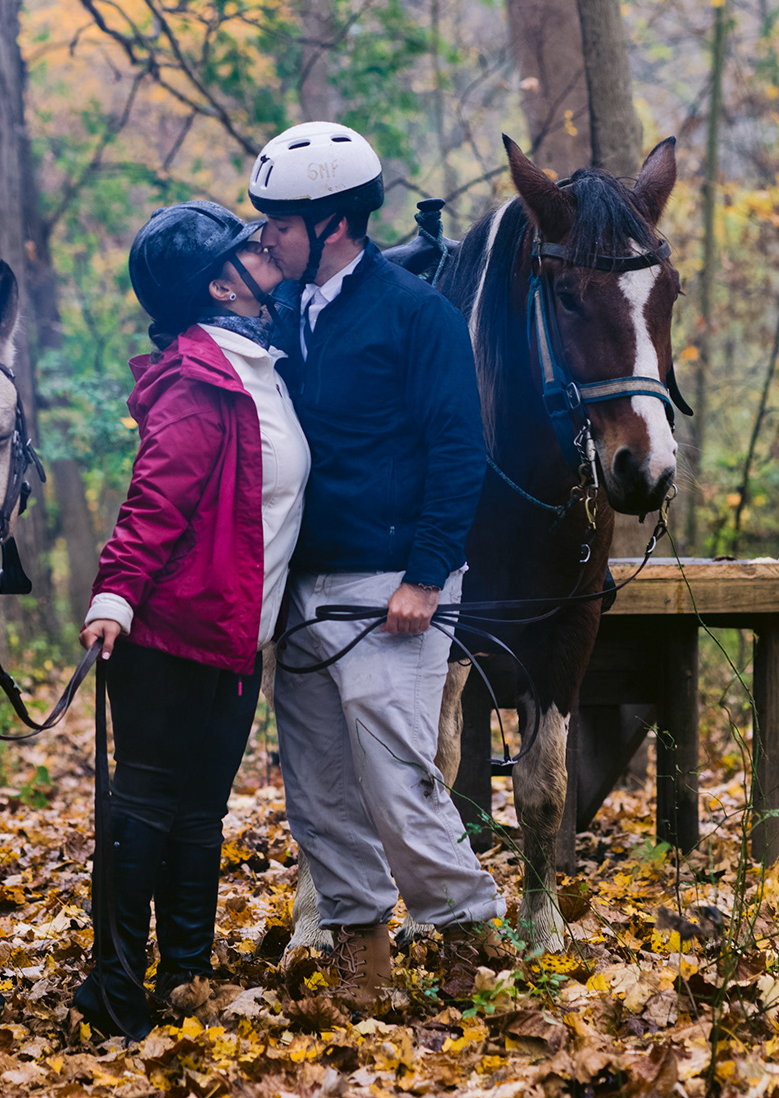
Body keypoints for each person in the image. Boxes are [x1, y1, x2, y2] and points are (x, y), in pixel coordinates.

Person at [250, 121, 505, 1011]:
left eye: (280, 222)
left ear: (335, 222)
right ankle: (364, 948)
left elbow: (457, 449)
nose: (266, 236)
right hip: (301, 590)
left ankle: (466, 930)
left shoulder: (415, 313)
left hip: (393, 584)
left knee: (399, 774)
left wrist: (427, 577)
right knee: (317, 780)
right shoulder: (280, 314)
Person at [70, 200, 308, 1040]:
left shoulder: (261, 364)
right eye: (247, 246)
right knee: (146, 804)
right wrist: (114, 595)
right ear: (219, 282)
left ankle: (185, 979)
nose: (263, 249)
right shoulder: (198, 378)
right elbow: (154, 502)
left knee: (201, 810)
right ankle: (114, 987)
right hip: (171, 632)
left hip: (235, 636)